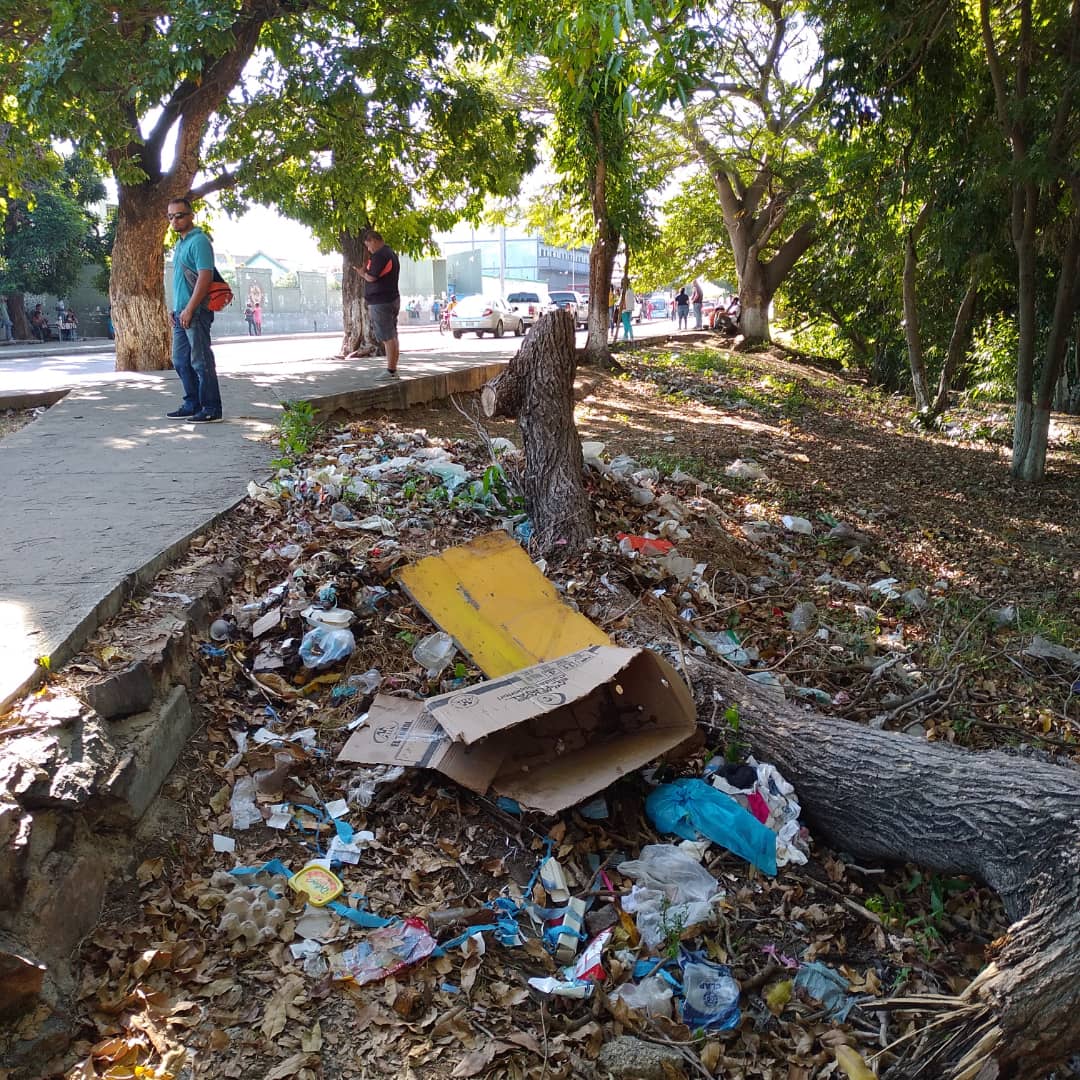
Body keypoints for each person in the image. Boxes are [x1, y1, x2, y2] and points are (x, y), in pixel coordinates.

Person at [166, 196, 223, 423]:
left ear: (191, 215)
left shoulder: (199, 241)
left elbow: (205, 277)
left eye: (180, 215)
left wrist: (190, 309)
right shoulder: (180, 244)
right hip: (181, 311)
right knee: (180, 360)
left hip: (196, 312)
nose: (175, 220)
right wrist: (177, 309)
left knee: (201, 361)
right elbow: (181, 281)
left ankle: (211, 408)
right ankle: (192, 403)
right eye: (171, 216)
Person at [358, 229, 401, 376]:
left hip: (382, 301)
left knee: (387, 337)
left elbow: (371, 277)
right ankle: (393, 368)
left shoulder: (380, 255)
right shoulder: (390, 253)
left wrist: (362, 273)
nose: (369, 249)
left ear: (373, 241)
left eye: (368, 246)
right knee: (392, 335)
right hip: (391, 298)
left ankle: (391, 371)